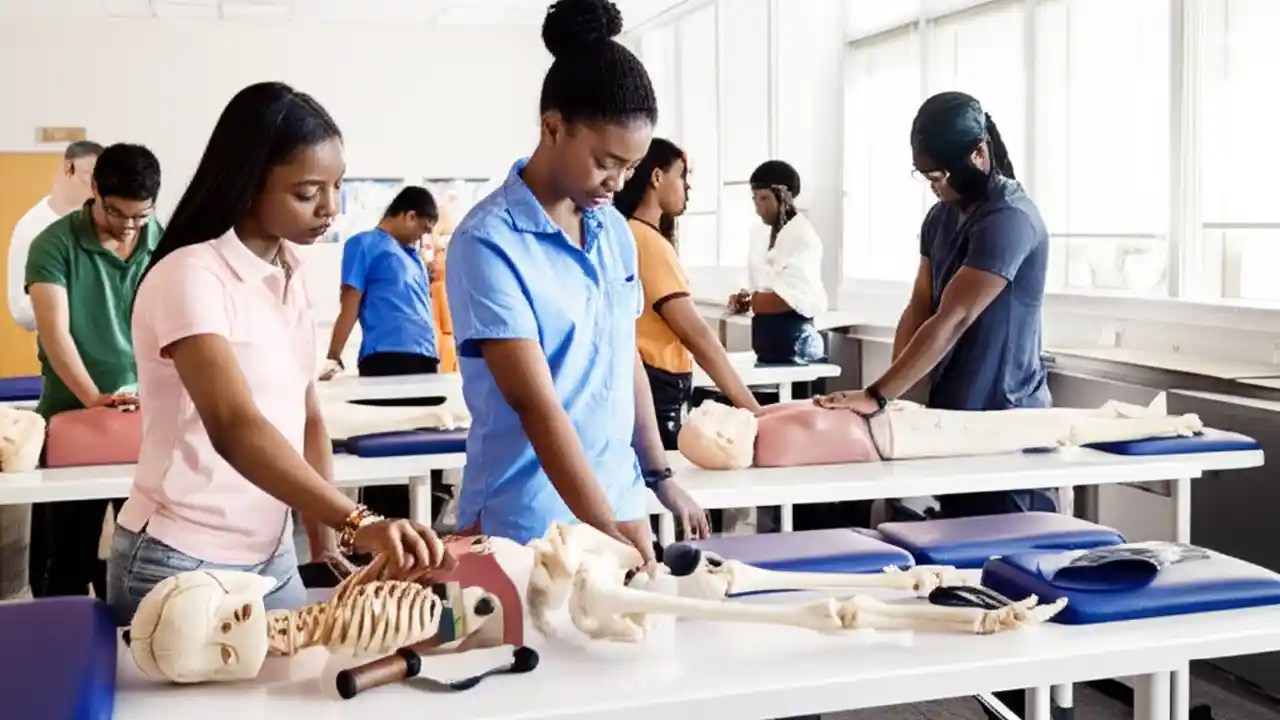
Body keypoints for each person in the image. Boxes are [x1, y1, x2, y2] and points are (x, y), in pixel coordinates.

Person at [106, 82, 453, 626]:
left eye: (336, 186)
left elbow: (306, 415)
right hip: (182, 555)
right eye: (308, 191)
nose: (330, 207)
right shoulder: (190, 276)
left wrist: (324, 539)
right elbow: (234, 425)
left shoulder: (288, 273)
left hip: (273, 551)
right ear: (249, 183)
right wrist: (357, 521)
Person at [445, 0, 709, 562]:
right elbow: (535, 404)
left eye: (631, 168)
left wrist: (657, 476)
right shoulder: (488, 241)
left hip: (617, 501)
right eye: (606, 162)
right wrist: (603, 525)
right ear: (553, 127)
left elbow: (624, 356)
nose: (617, 182)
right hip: (527, 519)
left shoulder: (613, 231)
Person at [815, 91, 1052, 523]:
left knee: (1004, 544)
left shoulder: (1010, 219)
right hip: (954, 414)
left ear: (979, 154)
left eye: (940, 175)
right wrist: (891, 400)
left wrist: (877, 395)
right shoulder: (940, 217)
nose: (933, 185)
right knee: (957, 541)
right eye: (924, 176)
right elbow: (920, 306)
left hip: (1006, 419)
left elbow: (955, 316)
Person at [25, 142, 162, 597]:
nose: (128, 226)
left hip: (147, 426)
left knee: (142, 560)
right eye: (116, 212)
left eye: (140, 216)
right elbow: (55, 334)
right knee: (67, 560)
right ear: (96, 190)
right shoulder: (54, 244)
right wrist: (93, 399)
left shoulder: (164, 241)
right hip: (74, 422)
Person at [612, 137, 762, 450]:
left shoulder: (625, 233)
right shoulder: (648, 243)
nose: (688, 187)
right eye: (682, 175)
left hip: (639, 389)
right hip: (657, 394)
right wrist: (754, 412)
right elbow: (697, 336)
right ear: (656, 177)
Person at [322, 186, 440, 380]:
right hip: (386, 356)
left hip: (426, 356)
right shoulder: (364, 244)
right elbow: (350, 304)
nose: (422, 237)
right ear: (410, 217)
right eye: (423, 229)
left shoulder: (415, 259)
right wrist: (333, 356)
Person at [728, 160, 828, 366]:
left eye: (764, 198)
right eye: (755, 199)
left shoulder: (804, 238)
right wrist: (745, 298)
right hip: (766, 344)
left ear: (785, 196)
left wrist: (751, 301)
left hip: (797, 342)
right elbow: (760, 290)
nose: (758, 208)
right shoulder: (760, 235)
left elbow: (787, 299)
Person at [8, 141, 104, 331]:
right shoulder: (32, 227)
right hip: (58, 340)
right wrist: (78, 300)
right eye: (90, 176)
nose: (97, 186)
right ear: (68, 169)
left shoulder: (102, 221)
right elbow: (22, 310)